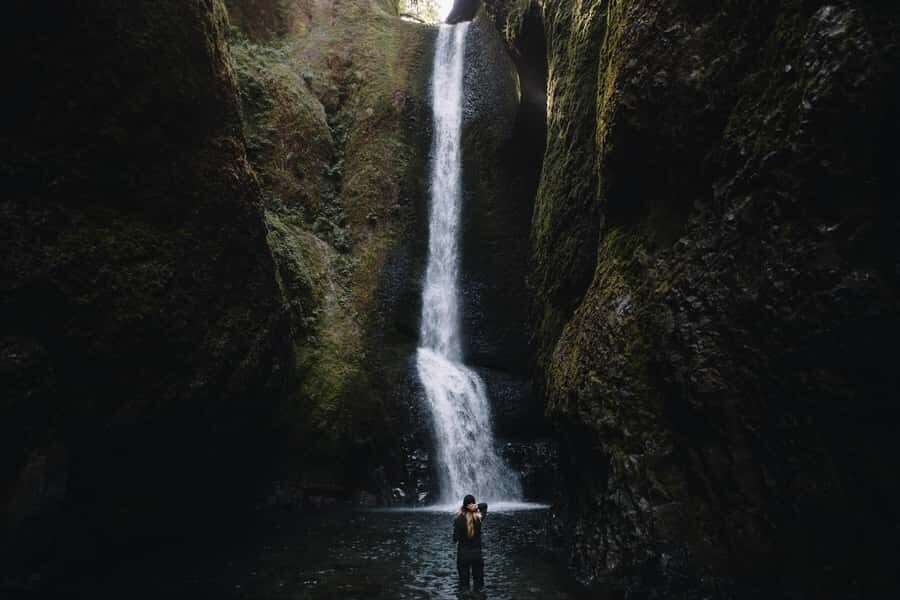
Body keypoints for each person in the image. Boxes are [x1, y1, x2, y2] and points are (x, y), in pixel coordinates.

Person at [452, 494, 488, 593]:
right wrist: (476, 506)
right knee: (479, 584)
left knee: (464, 585)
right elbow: (485, 505)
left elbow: (455, 539)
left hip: (463, 555)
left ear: (464, 505)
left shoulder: (458, 519)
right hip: (477, 554)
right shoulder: (479, 518)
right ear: (473, 505)